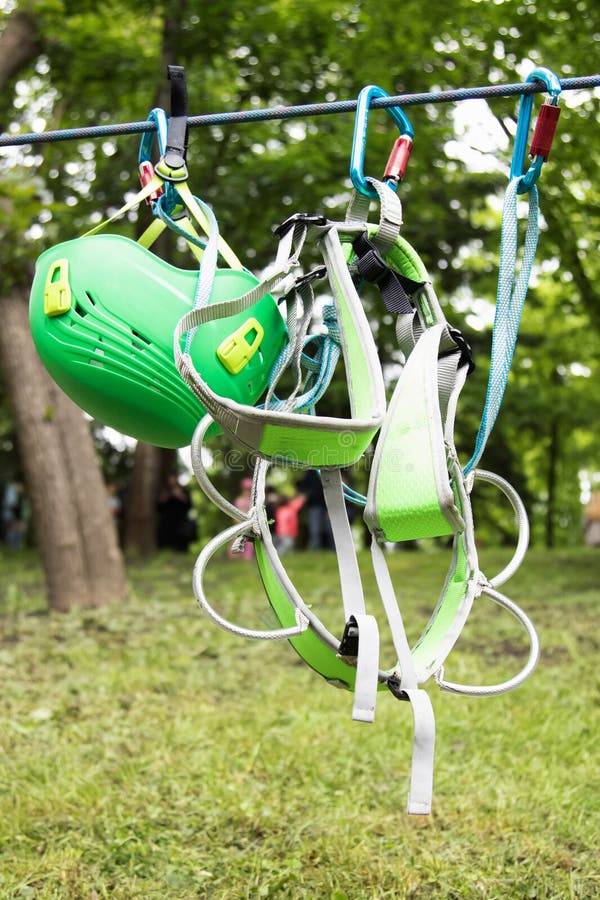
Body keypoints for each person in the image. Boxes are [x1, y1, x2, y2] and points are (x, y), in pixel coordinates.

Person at [156, 473, 196, 552]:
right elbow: (158, 506)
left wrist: (179, 496)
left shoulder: (184, 490)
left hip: (181, 521)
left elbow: (189, 505)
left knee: (181, 540)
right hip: (167, 522)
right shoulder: (164, 491)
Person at [296, 469, 334, 550]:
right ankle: (316, 551)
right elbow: (303, 487)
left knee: (330, 530)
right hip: (314, 505)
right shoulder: (310, 471)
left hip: (330, 505)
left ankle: (334, 550)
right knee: (315, 531)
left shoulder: (330, 468)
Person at [229, 477, 255, 559]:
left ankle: (247, 557)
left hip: (249, 525)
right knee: (236, 541)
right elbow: (235, 512)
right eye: (245, 489)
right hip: (239, 524)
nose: (247, 491)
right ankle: (235, 556)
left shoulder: (252, 500)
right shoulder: (239, 500)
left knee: (248, 543)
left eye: (248, 489)